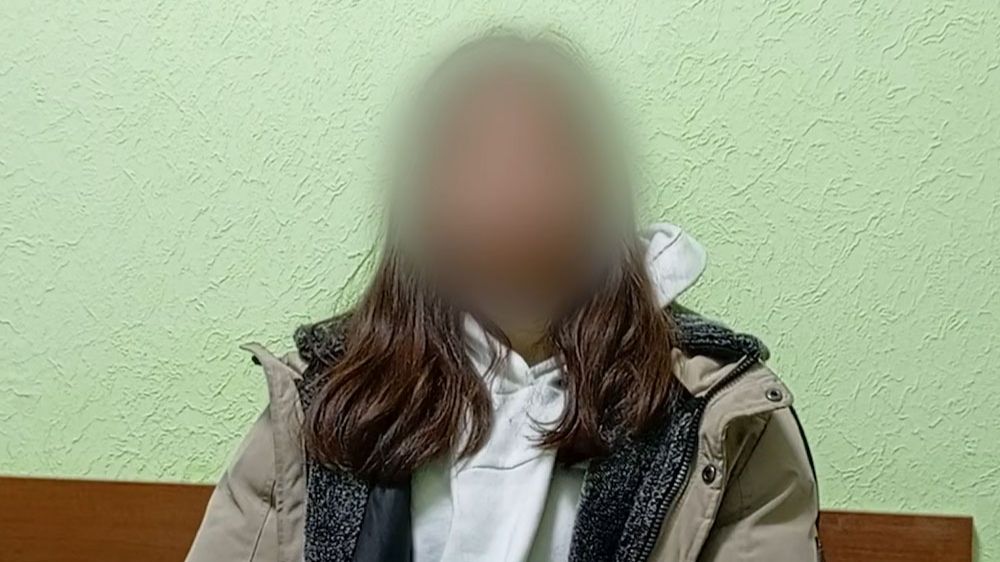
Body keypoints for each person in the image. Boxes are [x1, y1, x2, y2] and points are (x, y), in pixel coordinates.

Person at [186, 30, 821, 562]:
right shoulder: (318, 401)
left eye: (544, 155)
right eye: (474, 157)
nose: (512, 193)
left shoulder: (722, 413)